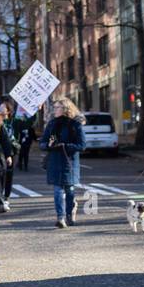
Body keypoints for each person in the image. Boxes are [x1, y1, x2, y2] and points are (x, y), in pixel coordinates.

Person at [42, 97, 86, 227]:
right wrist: (48, 145)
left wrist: (65, 146)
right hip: (55, 162)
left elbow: (82, 145)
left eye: (57, 107)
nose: (54, 110)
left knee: (70, 191)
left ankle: (69, 215)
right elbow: (42, 143)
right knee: (57, 191)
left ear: (65, 109)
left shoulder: (75, 124)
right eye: (54, 107)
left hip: (69, 162)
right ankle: (60, 217)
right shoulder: (51, 124)